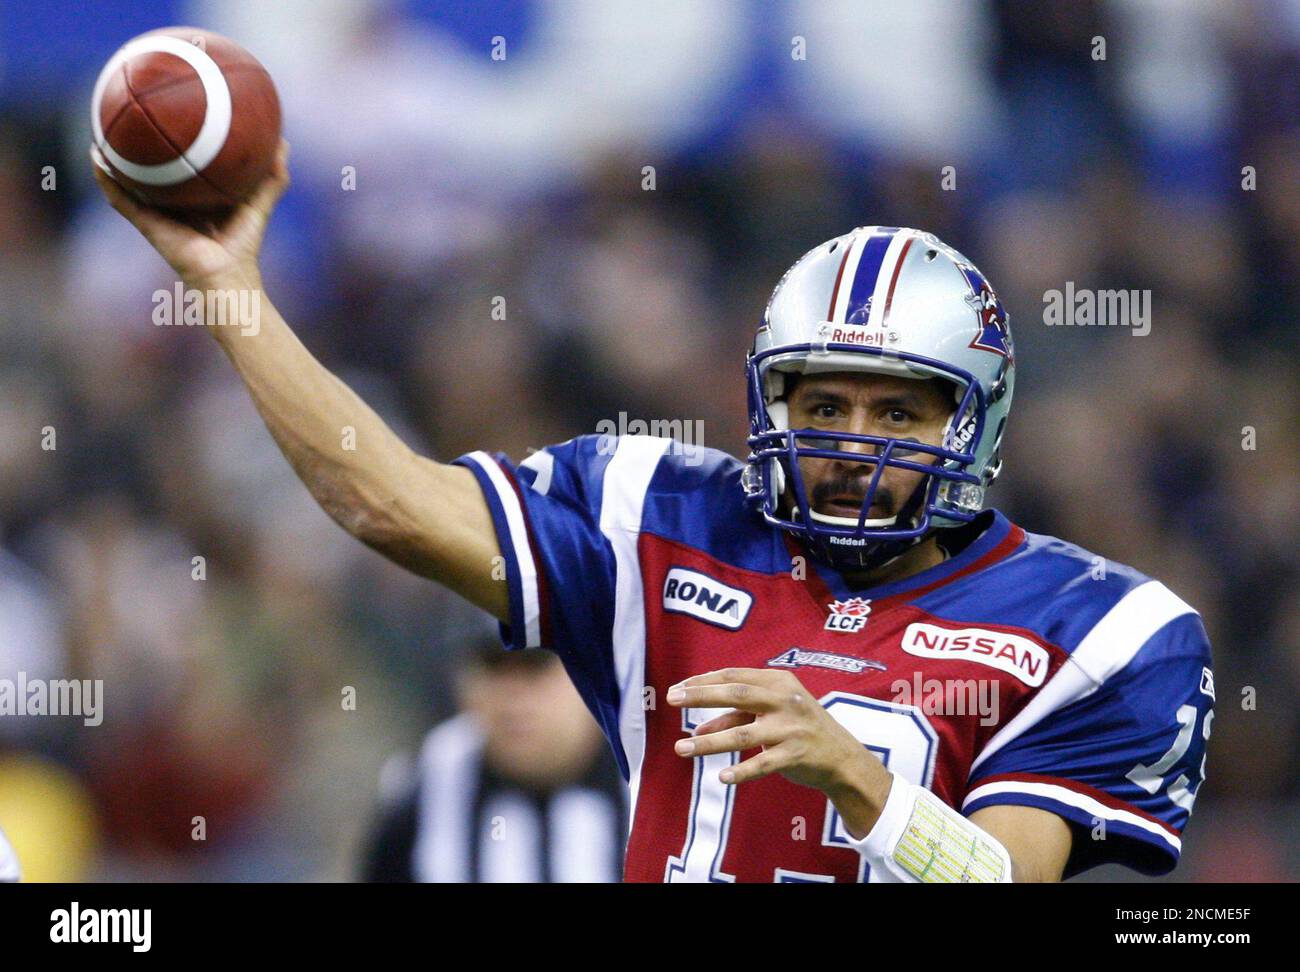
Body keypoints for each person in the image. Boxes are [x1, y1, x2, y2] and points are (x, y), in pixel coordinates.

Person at [93, 146, 1213, 883]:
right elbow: (381, 499)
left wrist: (860, 781)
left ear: (971, 425)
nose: (853, 439)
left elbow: (1001, 882)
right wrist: (226, 280)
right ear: (766, 403)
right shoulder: (659, 516)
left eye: (898, 410)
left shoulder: (1093, 627)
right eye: (822, 402)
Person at [361, 640, 625, 882]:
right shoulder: (428, 792)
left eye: (536, 669)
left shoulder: (646, 782)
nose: (514, 700)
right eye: (494, 667)